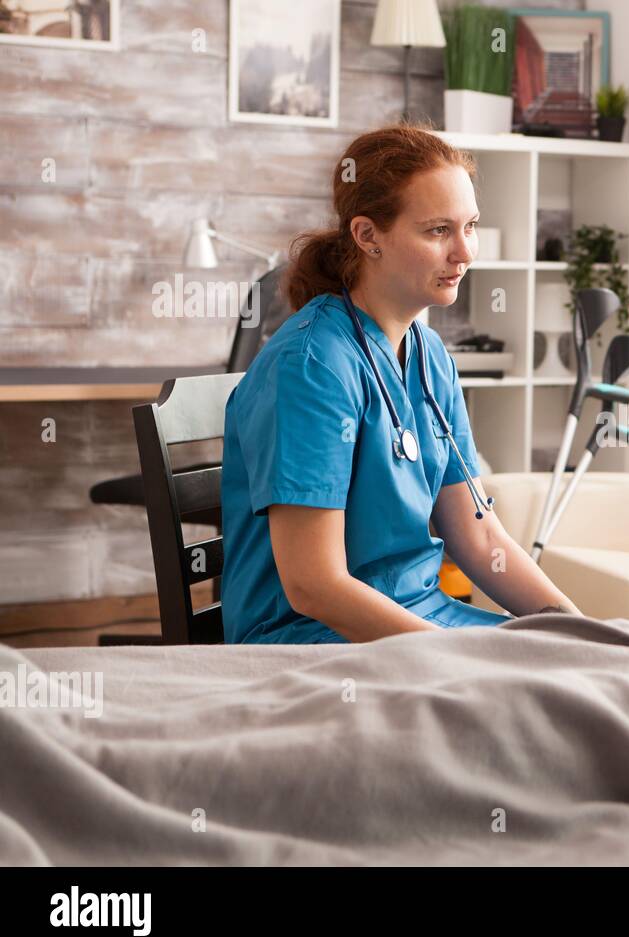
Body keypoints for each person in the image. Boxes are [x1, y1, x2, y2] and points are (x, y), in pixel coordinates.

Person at [221, 124, 580, 644]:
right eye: (438, 231)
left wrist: (582, 632)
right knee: (537, 693)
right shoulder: (311, 365)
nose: (465, 252)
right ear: (368, 237)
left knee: (577, 667)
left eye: (471, 226)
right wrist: (452, 658)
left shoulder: (430, 357)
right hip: (309, 639)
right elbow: (314, 586)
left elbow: (477, 536)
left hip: (423, 618)